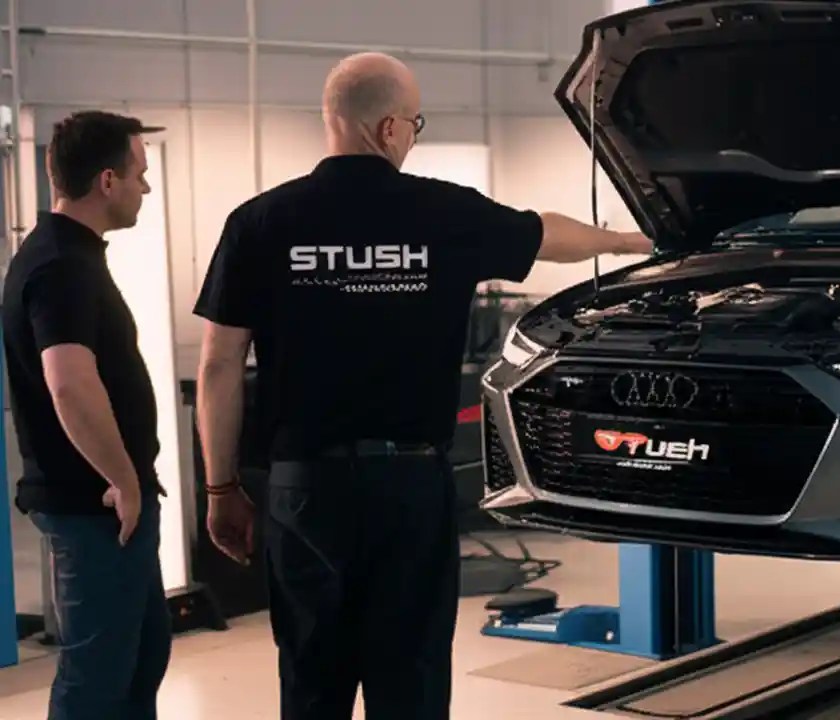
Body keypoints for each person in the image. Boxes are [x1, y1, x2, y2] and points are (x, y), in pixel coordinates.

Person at [192, 51, 652, 719]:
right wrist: (635, 242)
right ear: (387, 129)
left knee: (311, 677)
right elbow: (548, 235)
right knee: (409, 680)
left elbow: (219, 363)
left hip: (303, 491)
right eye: (415, 122)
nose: (414, 135)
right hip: (409, 488)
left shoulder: (260, 223)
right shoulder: (443, 214)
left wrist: (220, 487)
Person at [1, 110, 170, 719]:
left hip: (107, 503)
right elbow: (70, 385)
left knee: (140, 657)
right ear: (106, 180)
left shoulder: (71, 255)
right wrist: (123, 482)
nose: (144, 188)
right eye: (139, 174)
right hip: (93, 506)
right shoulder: (60, 265)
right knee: (97, 678)